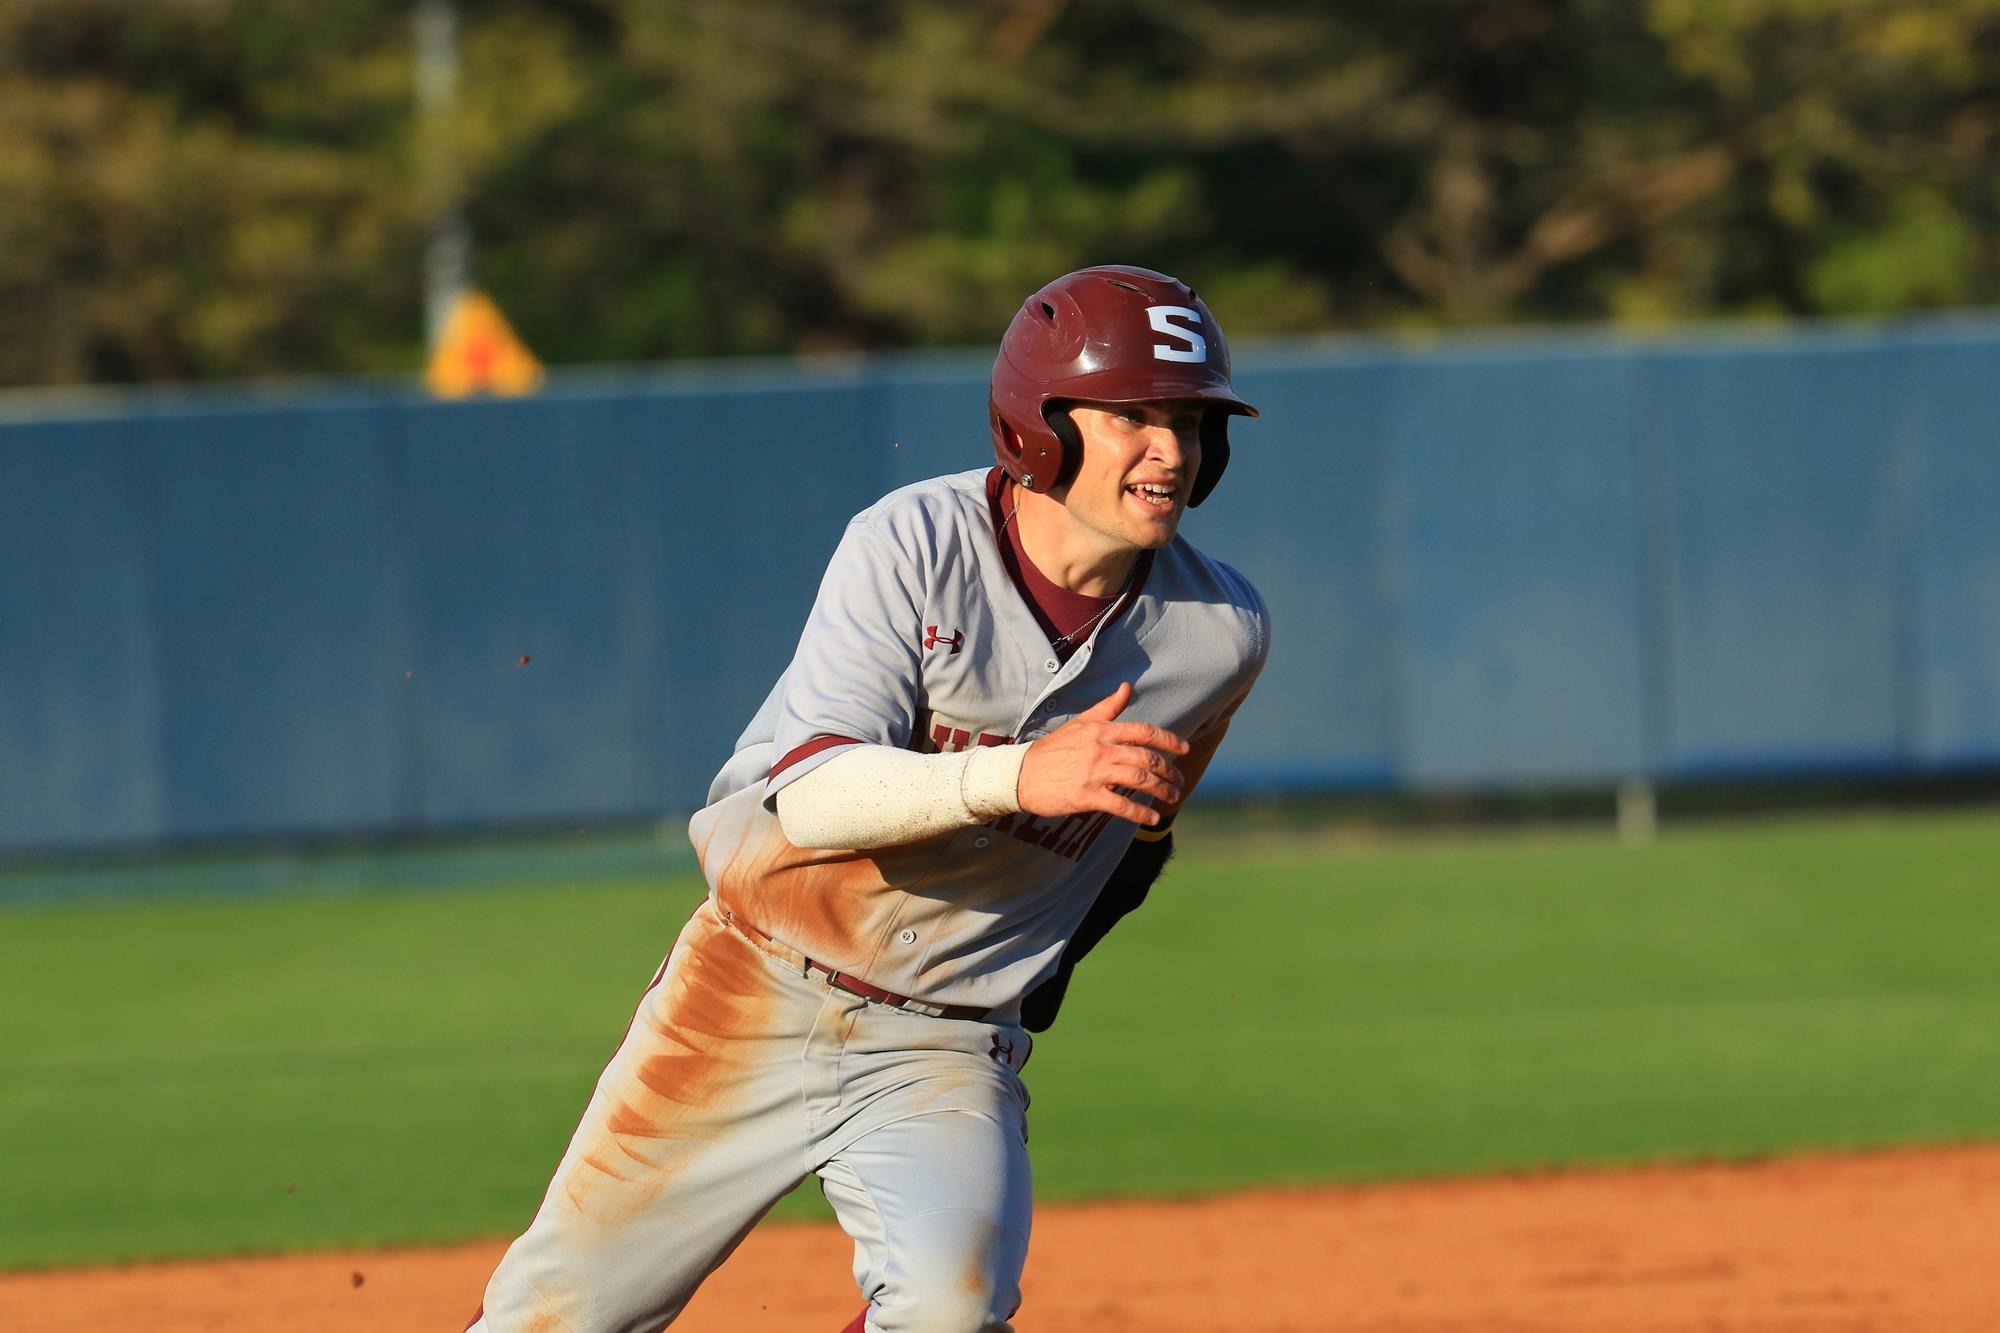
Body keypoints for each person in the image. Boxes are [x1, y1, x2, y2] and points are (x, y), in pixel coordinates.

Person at [467, 264, 1271, 1333]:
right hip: (752, 988)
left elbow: (1130, 845)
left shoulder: (1216, 633)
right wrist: (1012, 776)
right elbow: (812, 794)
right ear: (1040, 425)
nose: (1169, 450)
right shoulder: (911, 543)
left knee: (949, 1311)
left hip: (940, 1042)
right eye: (1132, 415)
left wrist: (1042, 967)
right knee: (554, 1320)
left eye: (1189, 421)